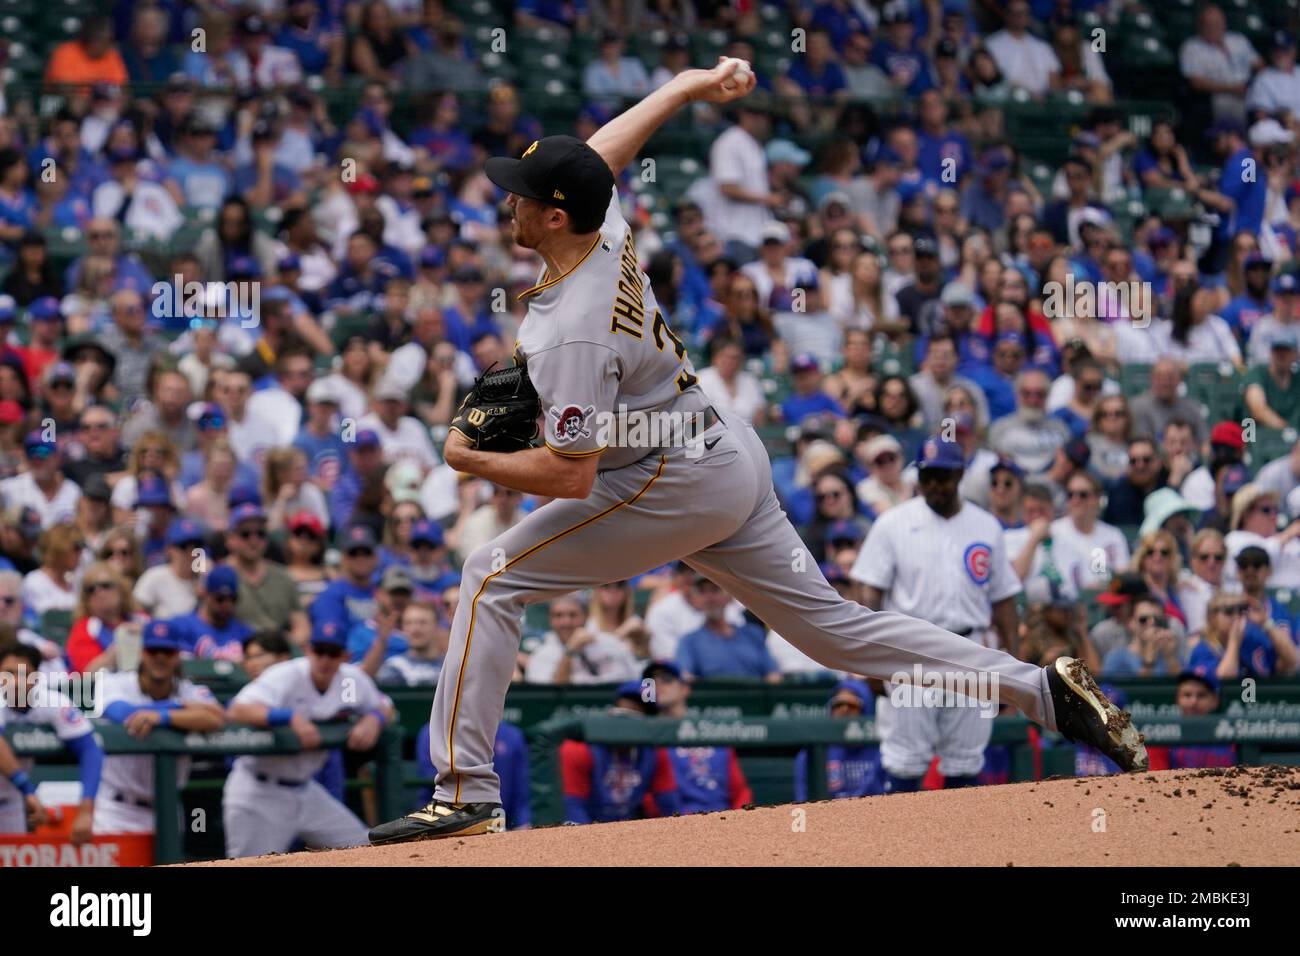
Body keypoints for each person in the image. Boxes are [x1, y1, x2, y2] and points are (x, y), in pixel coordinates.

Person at [369, 67, 1147, 844]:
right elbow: (600, 158)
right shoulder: (601, 230)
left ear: (556, 215)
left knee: (489, 578)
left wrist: (469, 462)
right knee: (836, 633)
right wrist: (685, 85)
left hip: (670, 473)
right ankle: (1041, 692)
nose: (509, 200)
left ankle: (466, 792)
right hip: (717, 444)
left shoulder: (571, 326)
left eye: (522, 194)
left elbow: (570, 474)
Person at [851, 437, 1021, 792]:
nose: (933, 485)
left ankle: (958, 846)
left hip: (970, 647)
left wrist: (1012, 661)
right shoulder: (892, 523)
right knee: (904, 761)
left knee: (966, 760)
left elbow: (1004, 600)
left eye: (942, 476)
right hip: (909, 651)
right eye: (927, 476)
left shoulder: (985, 525)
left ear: (959, 474)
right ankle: (901, 845)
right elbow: (869, 595)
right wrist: (867, 659)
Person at [222, 620, 395, 858]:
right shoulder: (287, 675)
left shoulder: (349, 681)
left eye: (332, 653)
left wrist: (374, 718)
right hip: (258, 791)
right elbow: (238, 710)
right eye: (319, 651)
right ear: (308, 651)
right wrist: (289, 716)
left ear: (345, 656)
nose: (324, 660)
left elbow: (385, 706)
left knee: (361, 850)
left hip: (306, 790)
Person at [93, 621, 225, 834]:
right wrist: (180, 709)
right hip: (117, 810)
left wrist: (160, 717)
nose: (160, 657)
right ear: (142, 653)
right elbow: (122, 713)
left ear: (177, 655)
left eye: (167, 651)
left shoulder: (189, 690)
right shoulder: (115, 683)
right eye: (153, 650)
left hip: (169, 808)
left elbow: (216, 718)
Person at [0, 643, 103, 844]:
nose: (15, 681)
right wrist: (27, 790)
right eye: (8, 673)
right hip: (20, 793)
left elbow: (90, 749)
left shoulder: (50, 700)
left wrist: (85, 810)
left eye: (23, 674)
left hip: (10, 802)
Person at [558, 682, 681, 824]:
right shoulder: (579, 746)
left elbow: (669, 805)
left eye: (639, 709)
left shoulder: (654, 750)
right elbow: (571, 807)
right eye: (626, 706)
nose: (628, 715)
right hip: (585, 828)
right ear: (612, 710)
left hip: (628, 830)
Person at [792, 679, 885, 801]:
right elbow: (802, 798)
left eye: (852, 705)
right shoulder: (811, 754)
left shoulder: (882, 749)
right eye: (838, 705)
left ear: (865, 709)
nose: (844, 710)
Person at [675, 575, 780, 682]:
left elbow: (773, 675)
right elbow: (685, 677)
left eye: (715, 589)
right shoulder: (689, 641)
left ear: (729, 595)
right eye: (702, 591)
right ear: (695, 598)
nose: (710, 598)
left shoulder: (753, 634)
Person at [523, 592, 639, 685]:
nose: (566, 622)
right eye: (558, 615)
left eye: (573, 615)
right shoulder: (542, 654)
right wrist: (569, 652)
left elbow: (637, 678)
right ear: (550, 620)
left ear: (586, 616)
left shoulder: (609, 642)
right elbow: (548, 697)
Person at [1146, 667, 1236, 770]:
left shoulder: (1232, 732)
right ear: (1178, 698)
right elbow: (1157, 781)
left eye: (1201, 695)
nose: (1193, 702)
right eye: (1187, 695)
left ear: (1215, 701)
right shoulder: (1163, 733)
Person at [65, 563, 140, 673]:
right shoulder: (84, 629)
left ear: (121, 589)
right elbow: (88, 673)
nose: (98, 592)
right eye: (90, 589)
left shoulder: (140, 620)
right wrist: (125, 643)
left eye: (105, 585)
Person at [168, 565, 254, 662]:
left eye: (233, 599)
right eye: (220, 599)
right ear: (206, 595)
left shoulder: (245, 633)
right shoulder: (180, 626)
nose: (227, 605)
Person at [1100, 595, 1184, 678]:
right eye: (1143, 620)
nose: (1152, 623)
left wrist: (1170, 657)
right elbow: (1139, 690)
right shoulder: (1116, 658)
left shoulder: (1172, 654)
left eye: (1158, 619)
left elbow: (1182, 687)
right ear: (1131, 623)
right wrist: (1148, 659)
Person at [376, 600, 447, 686]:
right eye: (409, 623)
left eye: (423, 623)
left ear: (436, 626)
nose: (415, 629)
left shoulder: (448, 667)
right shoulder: (394, 667)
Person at [1243, 329, 1300, 428]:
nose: (1281, 354)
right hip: (1260, 437)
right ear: (1271, 352)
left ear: (1295, 354)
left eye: (1286, 350)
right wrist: (1288, 432)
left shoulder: (1297, 377)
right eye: (1277, 349)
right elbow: (1258, 409)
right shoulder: (1258, 372)